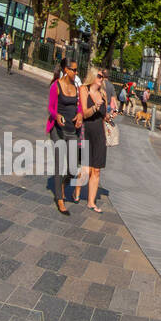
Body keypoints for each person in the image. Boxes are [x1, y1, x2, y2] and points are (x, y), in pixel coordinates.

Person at [46, 58, 83, 215]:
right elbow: (50, 107)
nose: (76, 73)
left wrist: (80, 114)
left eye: (76, 70)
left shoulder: (75, 86)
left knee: (73, 168)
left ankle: (62, 184)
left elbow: (79, 105)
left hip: (72, 131)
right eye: (73, 70)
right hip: (58, 130)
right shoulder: (56, 86)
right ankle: (59, 200)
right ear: (66, 70)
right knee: (59, 164)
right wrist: (57, 115)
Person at [72, 66, 109, 212]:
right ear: (93, 76)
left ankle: (91, 202)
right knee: (86, 170)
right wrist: (95, 107)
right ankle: (77, 189)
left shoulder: (103, 93)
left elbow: (103, 115)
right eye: (99, 76)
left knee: (97, 170)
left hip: (100, 134)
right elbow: (85, 114)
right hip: (86, 132)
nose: (101, 79)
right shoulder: (83, 89)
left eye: (102, 77)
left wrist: (109, 116)